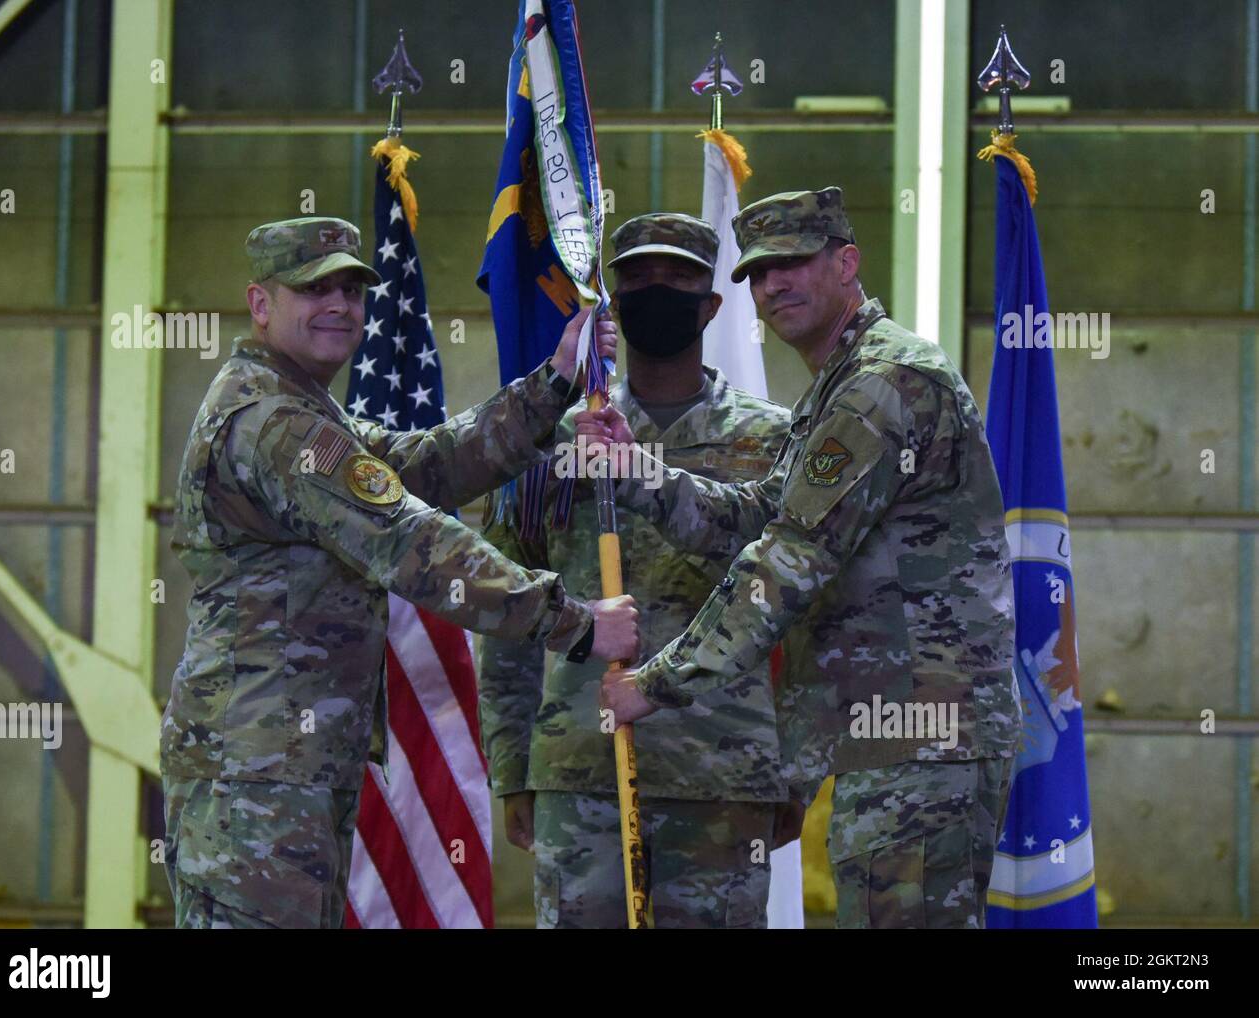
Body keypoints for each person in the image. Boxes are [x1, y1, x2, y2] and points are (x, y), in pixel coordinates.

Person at [161, 215, 639, 929]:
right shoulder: (274, 424)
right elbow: (410, 540)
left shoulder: (302, 409)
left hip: (278, 766)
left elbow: (426, 464)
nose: (340, 307)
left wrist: (556, 385)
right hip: (257, 777)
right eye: (314, 289)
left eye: (352, 291)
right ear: (261, 304)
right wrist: (571, 623)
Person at [580, 189, 1022, 929]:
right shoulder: (838, 389)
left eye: (792, 264)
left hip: (920, 737)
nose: (772, 285)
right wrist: (642, 475)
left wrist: (660, 682)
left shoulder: (884, 383)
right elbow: (762, 517)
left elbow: (790, 560)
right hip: (892, 735)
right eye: (756, 272)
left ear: (848, 263)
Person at [478, 213, 794, 928]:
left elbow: (799, 612)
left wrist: (794, 767)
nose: (660, 291)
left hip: (722, 770)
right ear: (612, 303)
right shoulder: (553, 441)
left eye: (680, 277)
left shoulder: (772, 440)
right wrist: (511, 765)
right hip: (578, 767)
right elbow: (505, 609)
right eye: (640, 278)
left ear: (712, 305)